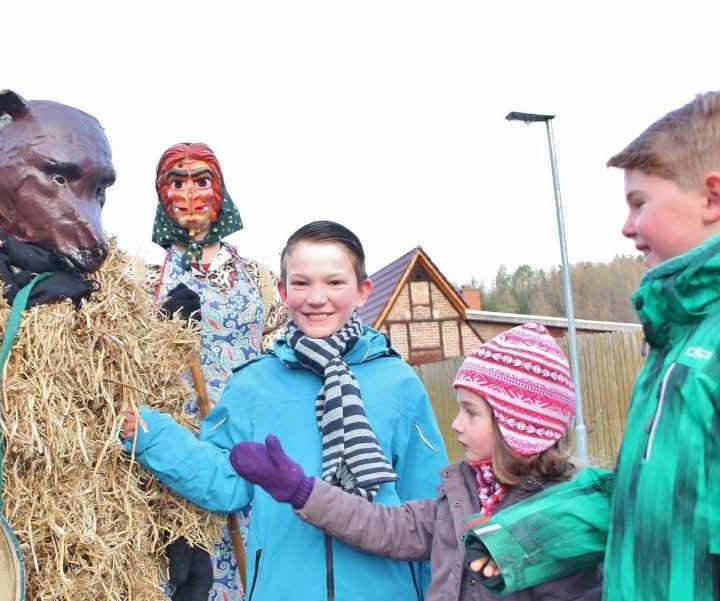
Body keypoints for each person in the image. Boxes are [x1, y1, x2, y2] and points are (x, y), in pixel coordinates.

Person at [464, 92, 720, 600]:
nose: (627, 227)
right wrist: (519, 541)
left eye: (639, 203)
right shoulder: (675, 345)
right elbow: (646, 500)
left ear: (711, 198)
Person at [122, 220, 447, 601]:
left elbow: (430, 507)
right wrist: (150, 434)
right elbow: (226, 482)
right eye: (302, 283)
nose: (317, 297)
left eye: (335, 283)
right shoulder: (252, 385)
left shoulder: (398, 383)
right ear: (282, 291)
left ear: (362, 292)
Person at [231, 322, 603, 600]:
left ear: (518, 426)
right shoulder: (462, 497)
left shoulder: (564, 517)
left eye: (471, 413)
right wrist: (302, 490)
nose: (456, 424)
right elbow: (383, 526)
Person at [145, 142, 284, 600]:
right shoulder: (144, 281)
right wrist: (160, 329)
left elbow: (280, 352)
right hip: (181, 449)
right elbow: (131, 367)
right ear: (161, 196)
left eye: (201, 181)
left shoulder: (259, 278)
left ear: (219, 191)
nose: (189, 193)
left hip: (251, 440)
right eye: (176, 182)